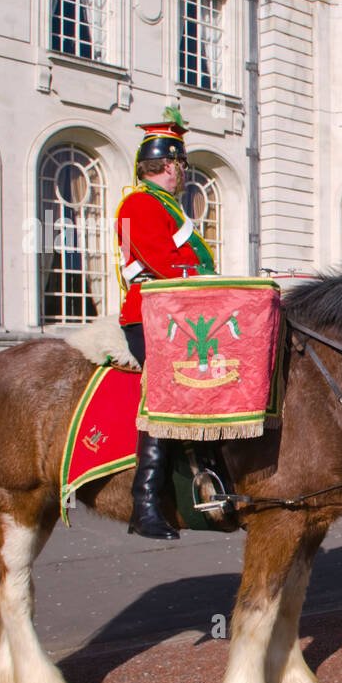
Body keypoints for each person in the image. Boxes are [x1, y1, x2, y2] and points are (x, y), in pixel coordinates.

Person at [116, 109, 216, 539]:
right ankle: (145, 503)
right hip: (150, 316)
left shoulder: (165, 205)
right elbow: (164, 265)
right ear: (171, 165)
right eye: (180, 166)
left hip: (176, 314)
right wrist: (210, 278)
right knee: (169, 391)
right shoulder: (141, 204)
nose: (181, 174)